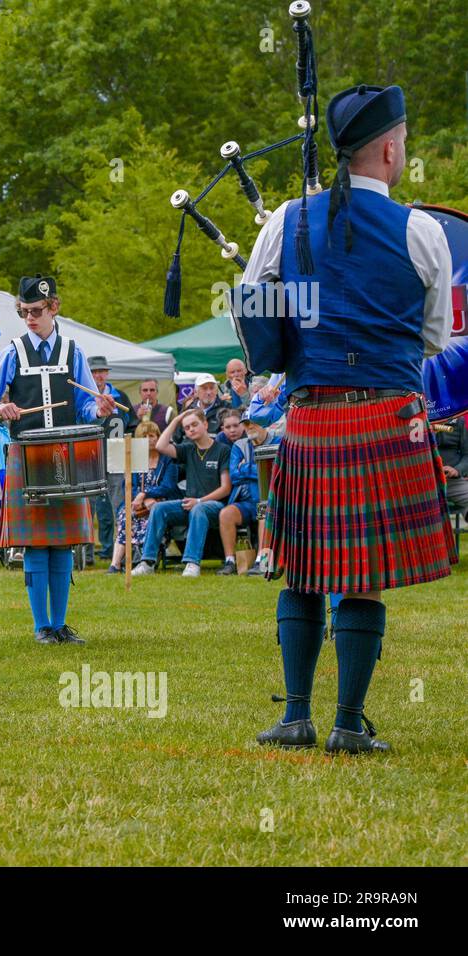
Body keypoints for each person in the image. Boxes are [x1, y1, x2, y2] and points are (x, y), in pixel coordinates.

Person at [245, 84, 455, 754]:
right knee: (361, 574)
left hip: (310, 417)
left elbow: (253, 310)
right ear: (390, 148)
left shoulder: (286, 221)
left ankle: (296, 716)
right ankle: (347, 724)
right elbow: (433, 340)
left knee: (303, 568)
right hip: (388, 417)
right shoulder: (421, 231)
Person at [0, 274, 116, 645]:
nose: (30, 318)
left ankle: (60, 624)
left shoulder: (73, 352)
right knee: (34, 542)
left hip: (65, 454)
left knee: (62, 541)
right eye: (24, 312)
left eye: (36, 311)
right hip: (26, 455)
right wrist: (0, 406)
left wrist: (97, 408)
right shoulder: (12, 351)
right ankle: (41, 627)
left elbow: (84, 405)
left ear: (54, 308)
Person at [133, 408, 231, 577]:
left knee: (198, 509)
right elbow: (160, 446)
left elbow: (226, 488)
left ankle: (192, 564)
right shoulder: (188, 449)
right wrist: (176, 420)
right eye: (187, 427)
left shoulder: (222, 450)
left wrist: (199, 501)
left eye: (194, 424)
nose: (191, 429)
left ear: (206, 424)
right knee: (159, 508)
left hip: (215, 507)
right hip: (189, 504)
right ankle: (147, 562)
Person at [107, 420, 179, 573]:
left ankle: (145, 560)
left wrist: (146, 494)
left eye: (152, 435)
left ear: (159, 437)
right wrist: (142, 498)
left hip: (161, 503)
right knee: (125, 516)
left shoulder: (168, 460)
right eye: (145, 436)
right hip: (138, 504)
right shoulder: (135, 461)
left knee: (151, 517)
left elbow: (168, 486)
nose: (150, 439)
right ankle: (115, 564)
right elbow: (128, 486)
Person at [88, 355, 132, 562]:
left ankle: (116, 549)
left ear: (107, 373)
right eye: (94, 372)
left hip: (114, 455)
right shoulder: (82, 396)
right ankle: (86, 551)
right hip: (88, 456)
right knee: (88, 504)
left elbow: (132, 424)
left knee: (116, 503)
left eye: (101, 371)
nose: (98, 375)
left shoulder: (120, 396)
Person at [215, 409, 259, 575]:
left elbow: (271, 471)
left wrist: (245, 467)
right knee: (226, 514)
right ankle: (230, 561)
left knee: (264, 512)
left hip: (268, 499)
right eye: (247, 424)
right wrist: (254, 471)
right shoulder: (238, 446)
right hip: (245, 501)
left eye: (237, 425)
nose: (233, 430)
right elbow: (234, 475)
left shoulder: (273, 440)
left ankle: (260, 561)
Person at [437, 415, 468, 517]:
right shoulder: (416, 418)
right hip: (425, 482)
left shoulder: (459, 419)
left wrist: (457, 470)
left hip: (453, 481)